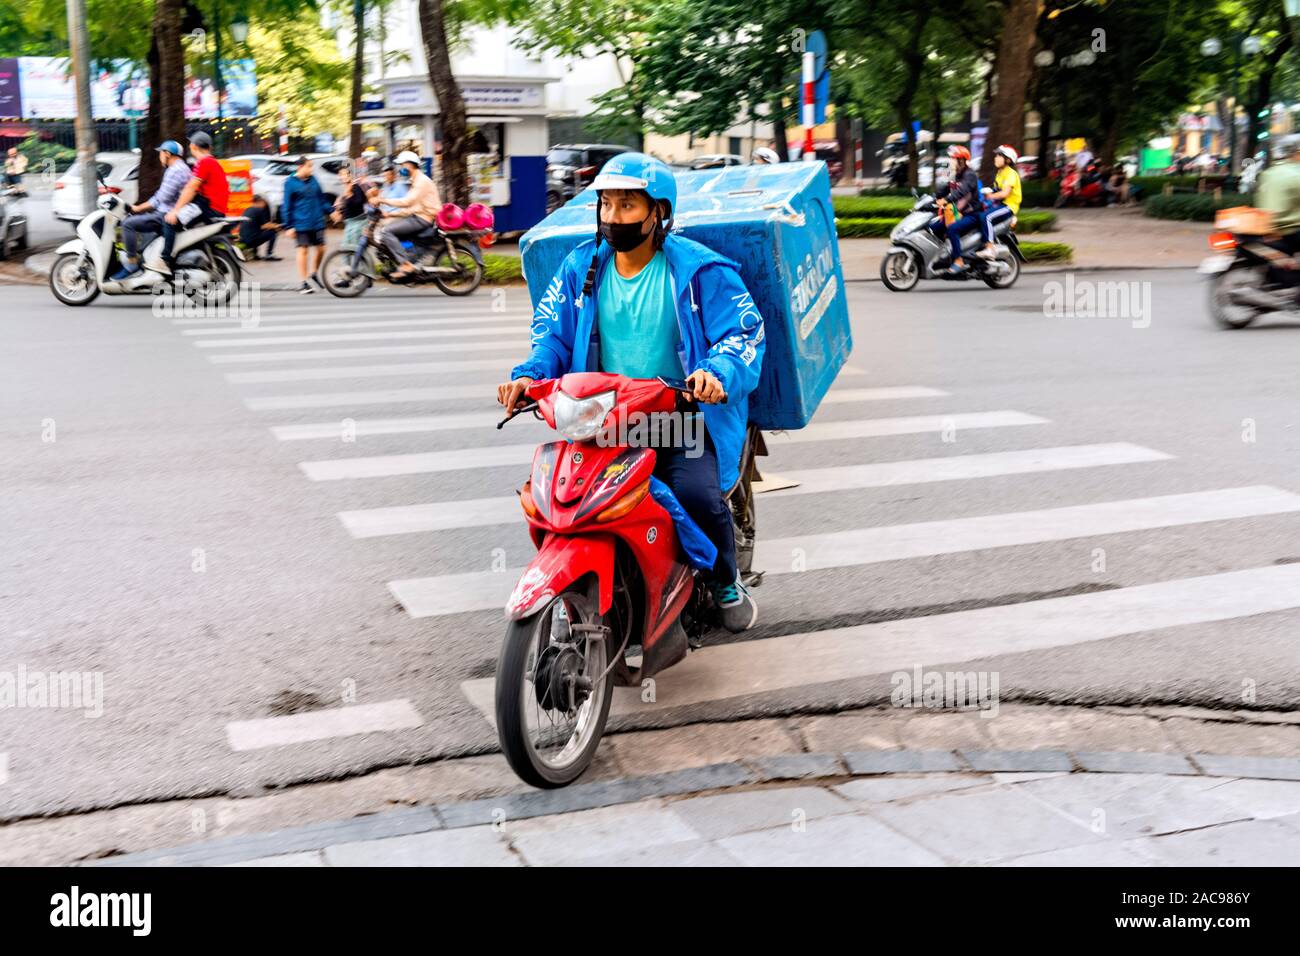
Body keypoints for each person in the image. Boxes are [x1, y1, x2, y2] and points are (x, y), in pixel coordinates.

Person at [496, 152, 765, 632]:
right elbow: (551, 337)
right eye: (606, 205)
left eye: (627, 206)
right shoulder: (581, 268)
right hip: (603, 418)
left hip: (677, 418)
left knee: (696, 496)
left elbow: (741, 335)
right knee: (565, 498)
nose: (613, 217)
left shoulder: (703, 273)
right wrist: (527, 376)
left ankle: (725, 578)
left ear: (658, 212)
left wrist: (716, 374)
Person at [112, 140, 193, 281]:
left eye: (161, 153)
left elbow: (161, 198)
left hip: (165, 214)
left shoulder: (176, 170)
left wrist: (137, 208)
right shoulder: (179, 168)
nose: (159, 156)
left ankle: (131, 265)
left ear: (167, 154)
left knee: (128, 224)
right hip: (167, 212)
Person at [154, 130, 229, 273]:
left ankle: (165, 261)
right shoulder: (212, 162)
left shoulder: (204, 163)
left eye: (190, 145)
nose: (189, 147)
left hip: (207, 207)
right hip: (213, 206)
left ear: (194, 146)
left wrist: (175, 211)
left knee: (169, 221)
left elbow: (191, 188)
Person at [379, 150, 441, 281]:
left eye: (402, 165)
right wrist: (391, 214)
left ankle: (406, 264)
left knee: (386, 232)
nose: (401, 169)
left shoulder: (421, 181)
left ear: (409, 165)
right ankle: (410, 259)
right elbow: (411, 208)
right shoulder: (416, 180)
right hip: (418, 216)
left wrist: (382, 200)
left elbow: (407, 202)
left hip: (423, 219)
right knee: (393, 229)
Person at [930, 144, 984, 273]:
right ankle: (944, 255)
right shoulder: (957, 175)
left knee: (952, 229)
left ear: (961, 161)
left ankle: (958, 260)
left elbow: (961, 191)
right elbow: (945, 189)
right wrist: (932, 199)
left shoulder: (970, 175)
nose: (951, 161)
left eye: (953, 159)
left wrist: (947, 200)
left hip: (973, 214)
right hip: (959, 213)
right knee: (933, 228)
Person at [280, 155, 329, 294]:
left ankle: (313, 273)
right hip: (301, 222)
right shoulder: (290, 182)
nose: (311, 169)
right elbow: (286, 205)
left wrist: (331, 211)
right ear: (300, 167)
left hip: (317, 221)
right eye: (309, 166)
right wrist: (288, 226)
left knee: (322, 249)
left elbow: (321, 198)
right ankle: (304, 282)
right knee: (303, 250)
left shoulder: (313, 180)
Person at [977, 144, 1022, 259]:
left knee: (986, 217)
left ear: (1007, 159)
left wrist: (990, 196)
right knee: (977, 214)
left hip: (1008, 206)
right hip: (1001, 205)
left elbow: (1005, 193)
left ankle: (990, 249)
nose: (995, 158)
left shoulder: (1011, 173)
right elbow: (997, 189)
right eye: (996, 155)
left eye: (999, 156)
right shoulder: (1000, 173)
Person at [238, 194, 281, 260]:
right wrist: (277, 226)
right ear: (260, 201)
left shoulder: (247, 209)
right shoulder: (259, 210)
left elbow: (257, 226)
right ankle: (269, 255)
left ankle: (255, 254)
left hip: (243, 239)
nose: (265, 204)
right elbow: (266, 225)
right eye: (264, 202)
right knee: (273, 232)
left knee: (255, 232)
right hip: (251, 240)